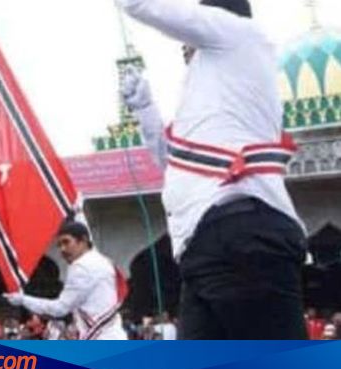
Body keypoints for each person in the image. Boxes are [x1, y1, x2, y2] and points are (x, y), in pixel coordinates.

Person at [118, 0, 307, 339]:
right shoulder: (213, 96)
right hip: (204, 251)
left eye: (190, 38)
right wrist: (146, 108)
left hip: (243, 237)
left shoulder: (241, 37)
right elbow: (171, 161)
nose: (184, 46)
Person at [3, 221, 128, 340]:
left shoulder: (80, 266)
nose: (62, 249)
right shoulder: (104, 261)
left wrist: (23, 300)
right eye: (59, 245)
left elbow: (60, 308)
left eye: (66, 242)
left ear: (83, 241)